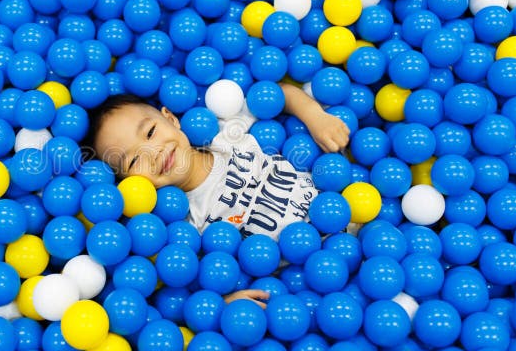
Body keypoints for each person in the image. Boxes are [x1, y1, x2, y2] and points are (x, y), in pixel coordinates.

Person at [82, 81, 351, 307]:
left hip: (349, 210)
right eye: (133, 161)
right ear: (130, 184)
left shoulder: (226, 135)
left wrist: (316, 118)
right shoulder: (185, 224)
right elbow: (198, 280)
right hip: (310, 281)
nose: (154, 153)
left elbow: (278, 93)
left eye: (150, 132)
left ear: (170, 118)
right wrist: (227, 301)